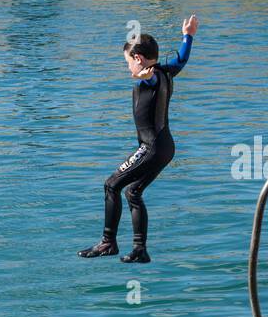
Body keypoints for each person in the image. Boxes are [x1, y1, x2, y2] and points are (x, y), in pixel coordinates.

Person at [79, 15, 199, 262]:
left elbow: (149, 77)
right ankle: (140, 250)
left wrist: (143, 77)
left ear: (138, 59)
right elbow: (182, 58)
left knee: (111, 185)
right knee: (133, 191)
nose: (128, 69)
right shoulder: (168, 71)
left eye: (128, 63)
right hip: (165, 147)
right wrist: (188, 36)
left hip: (152, 147)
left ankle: (108, 243)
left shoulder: (153, 76)